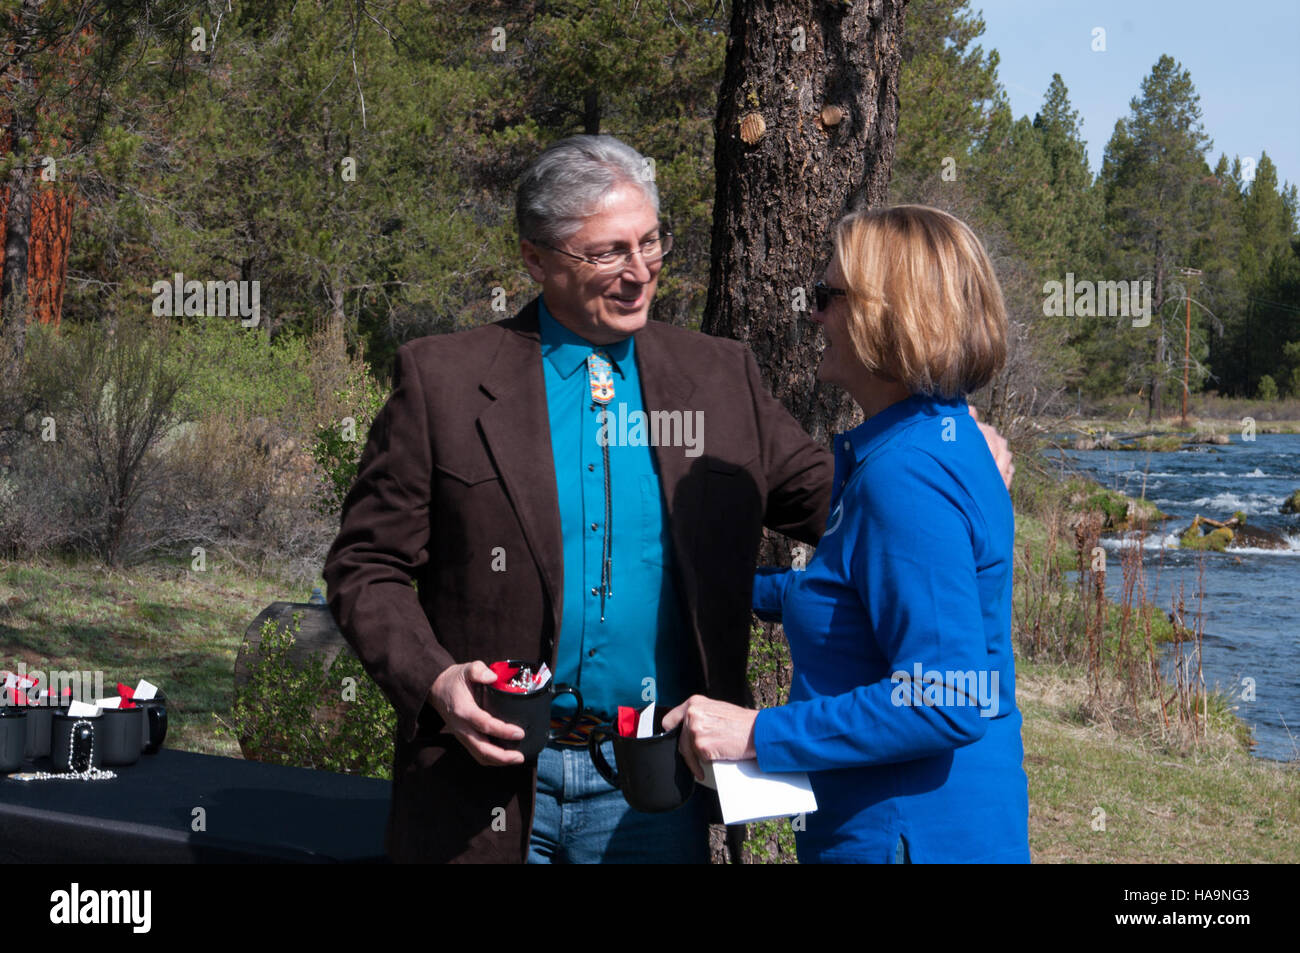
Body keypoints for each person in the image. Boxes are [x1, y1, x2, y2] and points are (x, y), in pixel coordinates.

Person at [323, 136, 1014, 864]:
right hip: (481, 786)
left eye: (652, 242)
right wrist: (433, 678)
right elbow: (364, 566)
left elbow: (849, 507)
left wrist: (952, 443)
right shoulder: (444, 382)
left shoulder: (719, 377)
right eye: (608, 252)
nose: (640, 272)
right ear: (536, 258)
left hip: (650, 787)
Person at [664, 205, 1031, 864]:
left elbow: (946, 699)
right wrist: (745, 589)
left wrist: (760, 732)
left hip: (910, 834)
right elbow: (867, 591)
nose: (814, 315)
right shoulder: (934, 438)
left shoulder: (907, 474)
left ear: (886, 313)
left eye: (828, 296)